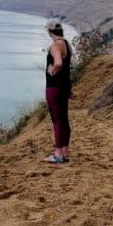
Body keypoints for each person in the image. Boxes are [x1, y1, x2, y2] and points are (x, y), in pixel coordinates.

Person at [43, 18, 72, 164]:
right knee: (64, 119)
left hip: (54, 87)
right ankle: (64, 153)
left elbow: (59, 63)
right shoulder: (66, 44)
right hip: (64, 87)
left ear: (49, 31)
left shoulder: (55, 45)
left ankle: (58, 154)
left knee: (57, 120)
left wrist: (52, 71)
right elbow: (66, 67)